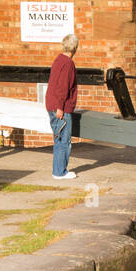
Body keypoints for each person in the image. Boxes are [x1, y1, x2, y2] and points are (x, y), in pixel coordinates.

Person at [45, 34, 79, 180]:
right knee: (63, 140)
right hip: (61, 107)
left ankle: (58, 170)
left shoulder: (58, 60)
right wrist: (60, 107)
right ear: (75, 48)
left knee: (58, 139)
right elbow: (63, 87)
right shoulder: (68, 63)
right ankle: (59, 172)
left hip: (51, 104)